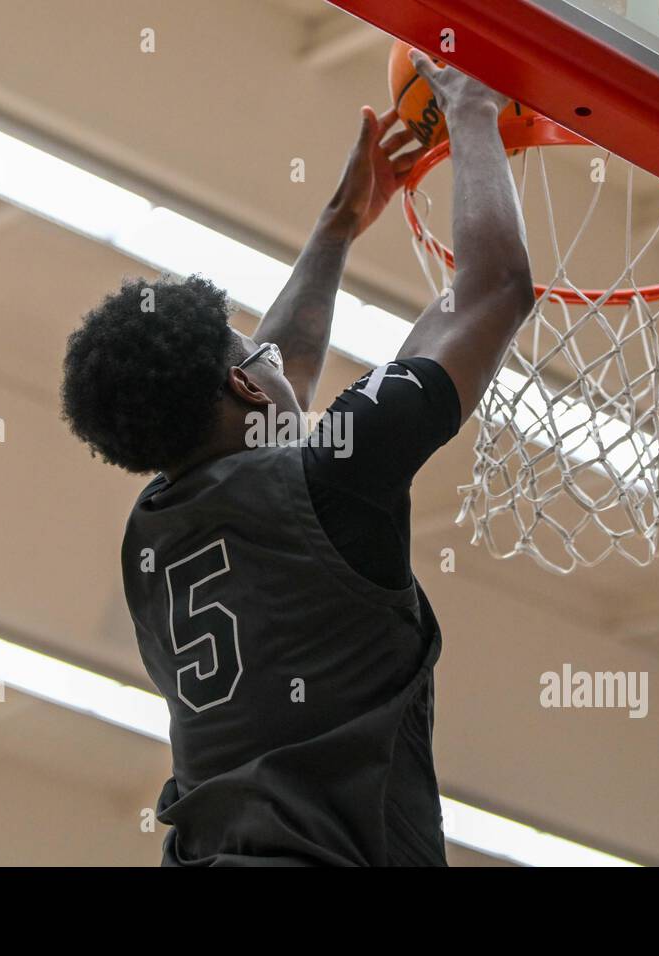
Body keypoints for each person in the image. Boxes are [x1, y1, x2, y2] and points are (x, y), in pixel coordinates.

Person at [61, 52, 535, 866]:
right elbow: (494, 288)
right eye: (258, 356)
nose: (280, 358)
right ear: (246, 386)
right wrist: (471, 104)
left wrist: (338, 223)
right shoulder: (331, 479)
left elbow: (274, 380)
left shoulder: (152, 539)